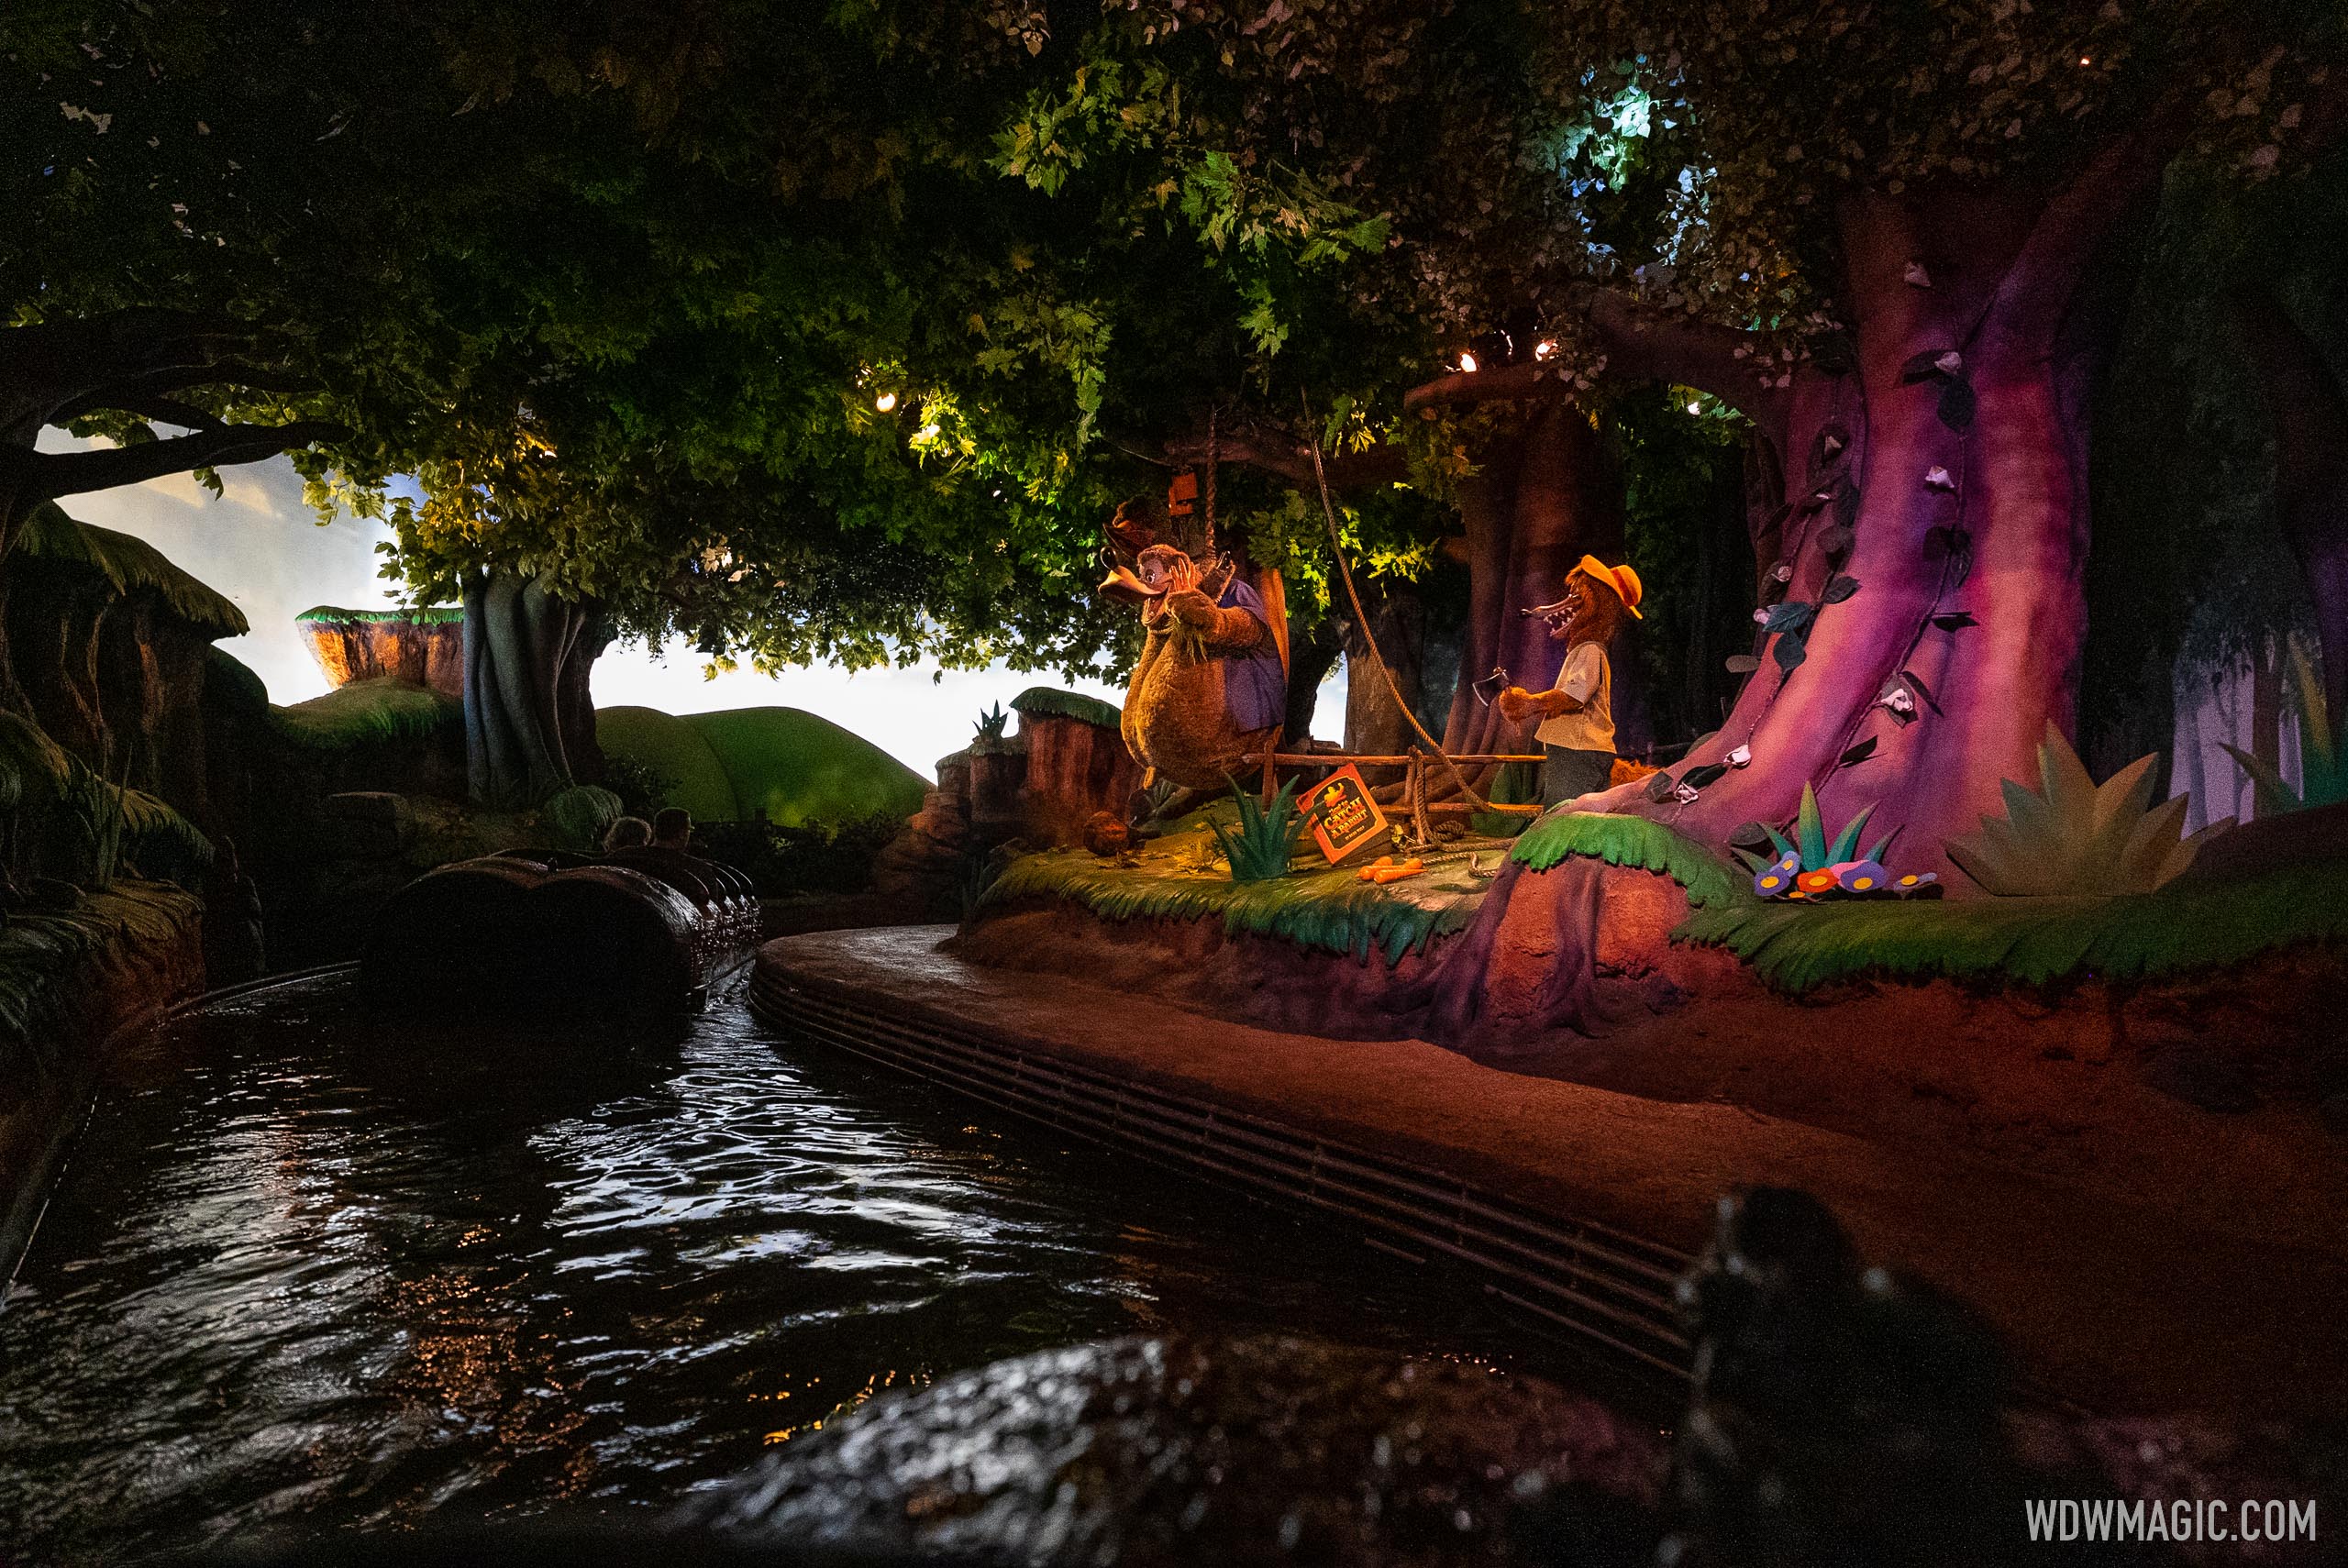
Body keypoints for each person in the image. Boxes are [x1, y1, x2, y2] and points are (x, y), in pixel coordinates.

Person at [1497, 554, 1642, 806]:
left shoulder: (1591, 650)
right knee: (1577, 813)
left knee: (1566, 814)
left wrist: (1529, 704)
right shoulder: (1585, 650)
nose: (1571, 600)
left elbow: (1574, 695)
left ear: (1598, 602)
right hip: (1576, 748)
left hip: (1578, 749)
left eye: (1579, 593)